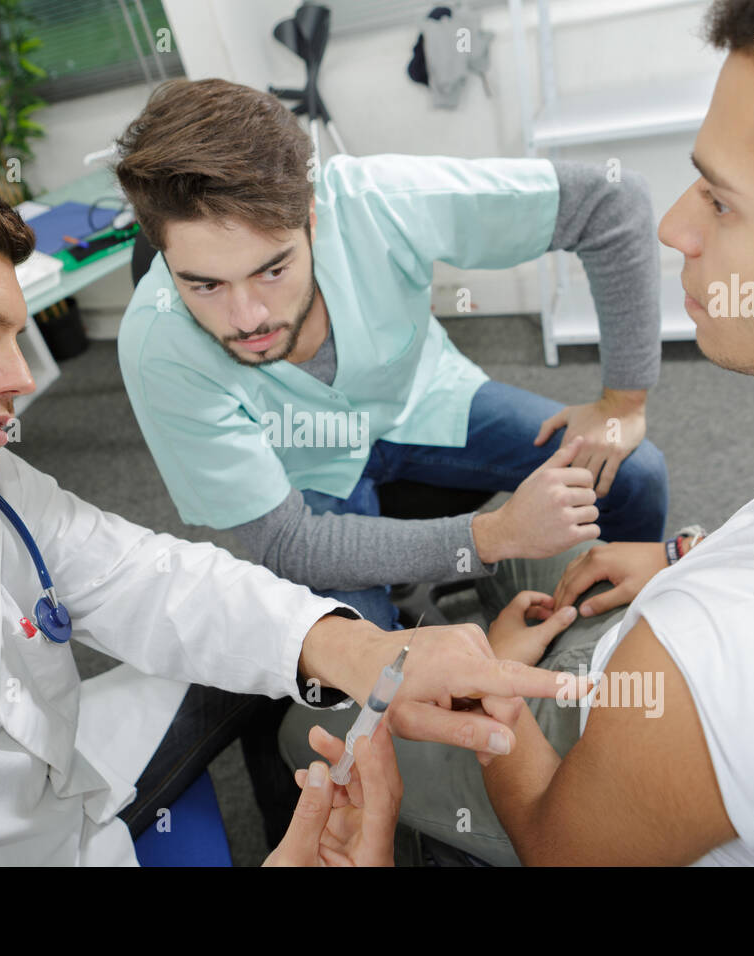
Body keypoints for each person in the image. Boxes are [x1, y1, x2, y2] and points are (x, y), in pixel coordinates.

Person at [0, 158, 587, 865]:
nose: (21, 378)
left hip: (67, 789)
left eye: (12, 331)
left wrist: (369, 653)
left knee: (284, 653)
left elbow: (143, 575)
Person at [279, 0, 754, 866]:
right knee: (553, 547)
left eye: (721, 200)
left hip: (600, 766)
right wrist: (684, 555)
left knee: (309, 723)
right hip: (658, 667)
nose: (676, 226)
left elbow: (561, 847)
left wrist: (494, 686)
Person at [113, 78, 670, 635]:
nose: (248, 317)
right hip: (302, 481)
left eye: (272, 270)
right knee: (366, 657)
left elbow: (612, 203)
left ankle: (619, 646)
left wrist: (623, 399)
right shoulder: (156, 346)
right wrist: (492, 537)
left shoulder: (378, 201)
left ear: (311, 215)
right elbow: (286, 541)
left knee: (634, 473)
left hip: (426, 402)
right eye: (205, 286)